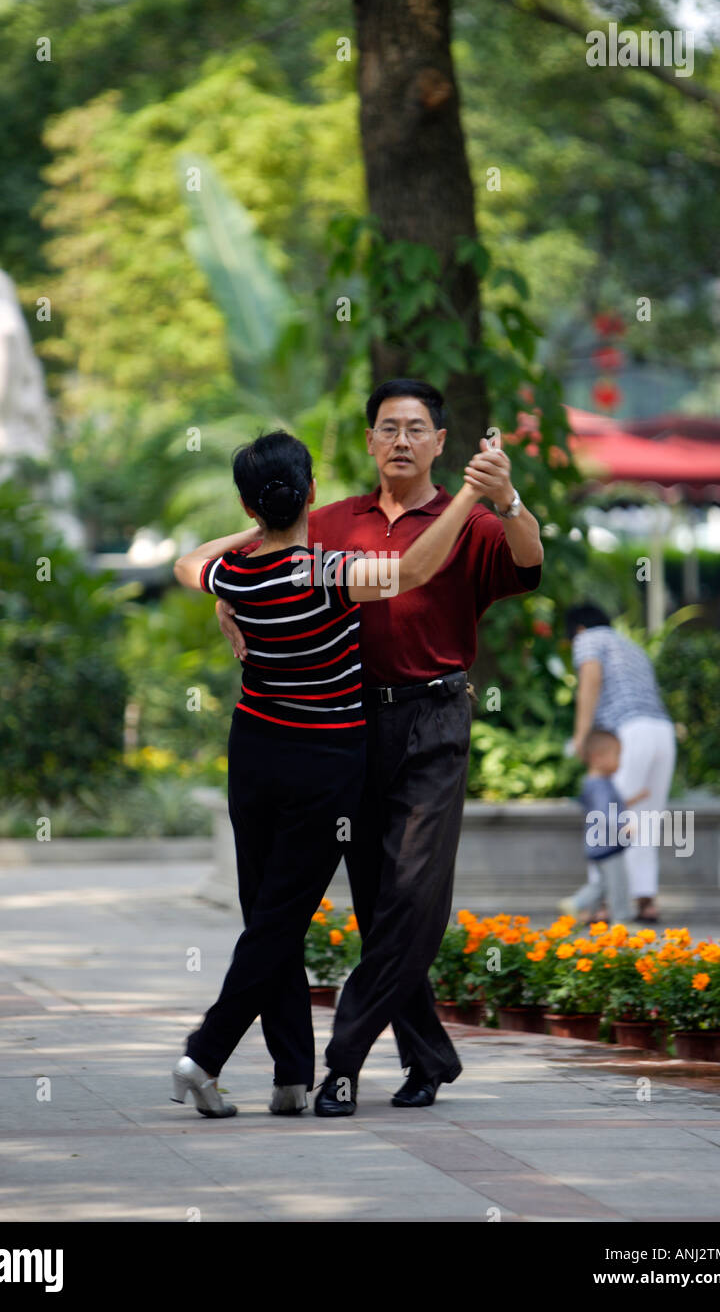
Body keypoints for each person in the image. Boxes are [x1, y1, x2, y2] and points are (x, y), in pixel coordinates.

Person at [217, 382, 544, 1115]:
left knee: (412, 898)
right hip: (344, 726)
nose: (401, 440)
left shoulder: (472, 525)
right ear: (368, 442)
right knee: (378, 903)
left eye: (416, 428)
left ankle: (343, 1061)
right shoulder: (328, 523)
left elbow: (529, 564)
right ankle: (429, 1055)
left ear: (440, 442)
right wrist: (225, 601)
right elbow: (258, 562)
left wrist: (511, 501)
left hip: (432, 723)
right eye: (387, 428)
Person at [170, 429, 487, 1117]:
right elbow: (413, 571)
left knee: (267, 913)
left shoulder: (235, 576)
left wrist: (255, 527)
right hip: (325, 761)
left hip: (255, 753)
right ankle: (203, 1054)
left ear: (249, 505)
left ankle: (290, 1074)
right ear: (312, 493)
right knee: (280, 920)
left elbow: (186, 563)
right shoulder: (326, 572)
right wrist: (469, 493)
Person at [565, 604, 676, 925]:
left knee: (607, 821)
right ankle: (645, 900)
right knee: (645, 820)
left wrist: (581, 738)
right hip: (662, 731)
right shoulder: (632, 645)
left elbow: (591, 679)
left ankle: (602, 905)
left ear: (578, 628)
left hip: (627, 734)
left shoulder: (589, 639)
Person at [559, 727, 650, 925]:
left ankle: (577, 903)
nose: (620, 761)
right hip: (607, 844)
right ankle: (622, 920)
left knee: (602, 883)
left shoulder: (594, 783)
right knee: (618, 883)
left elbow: (612, 806)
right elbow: (604, 812)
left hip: (597, 844)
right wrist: (621, 825)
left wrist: (635, 799)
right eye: (617, 755)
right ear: (597, 758)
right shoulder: (600, 785)